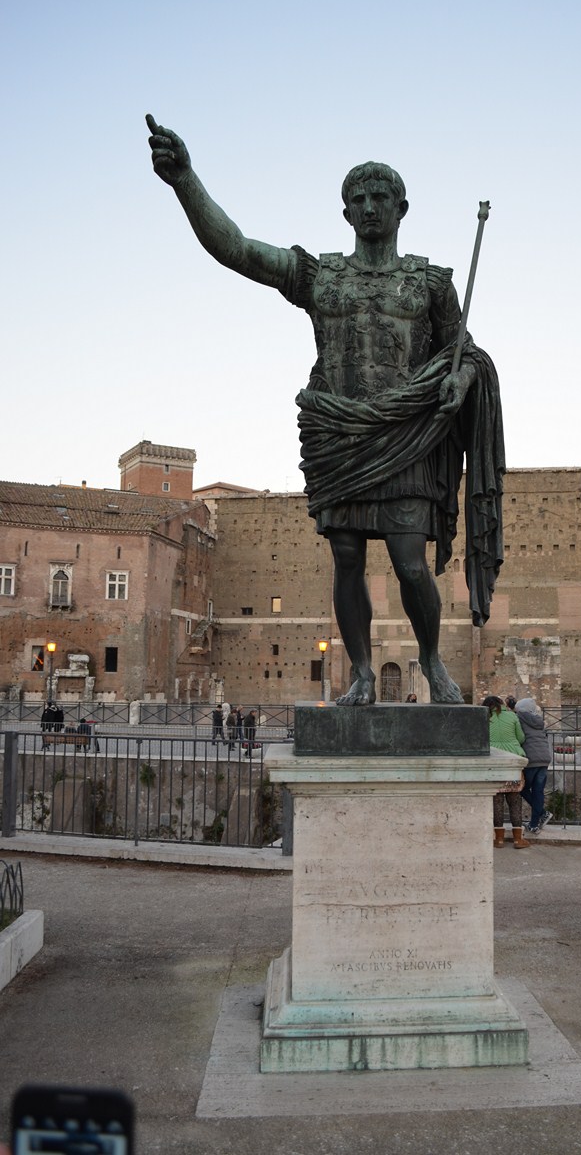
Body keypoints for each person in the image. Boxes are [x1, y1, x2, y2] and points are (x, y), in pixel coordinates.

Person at [147, 117, 504, 707]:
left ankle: (434, 663)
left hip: (405, 438)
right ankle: (362, 673)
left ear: (401, 208)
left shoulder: (431, 283)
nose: (368, 207)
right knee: (345, 556)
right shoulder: (323, 278)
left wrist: (462, 379)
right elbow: (236, 250)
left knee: (411, 562)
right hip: (338, 434)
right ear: (345, 213)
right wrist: (186, 180)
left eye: (379, 198)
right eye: (357, 200)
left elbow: (462, 352)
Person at [482, 695, 528, 848]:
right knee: (515, 801)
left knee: (497, 801)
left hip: (494, 762)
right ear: (501, 704)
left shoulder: (484, 718)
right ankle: (517, 839)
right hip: (513, 761)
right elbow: (521, 737)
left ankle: (499, 839)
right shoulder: (512, 716)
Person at [515, 698, 552, 834]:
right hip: (544, 758)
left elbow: (519, 737)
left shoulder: (519, 718)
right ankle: (534, 824)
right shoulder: (538, 720)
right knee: (538, 791)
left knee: (522, 788)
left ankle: (543, 813)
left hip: (531, 758)